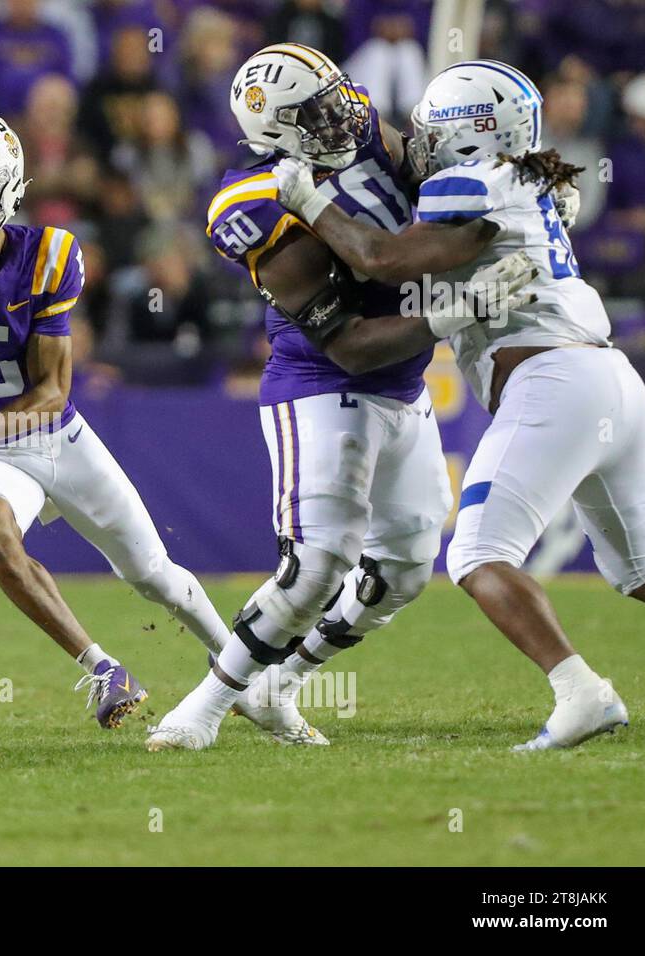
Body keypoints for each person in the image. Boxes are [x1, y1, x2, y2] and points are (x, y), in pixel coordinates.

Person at [148, 43, 533, 750]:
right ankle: (202, 706)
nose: (337, 117)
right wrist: (456, 312)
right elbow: (350, 344)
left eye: (333, 96)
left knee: (408, 567)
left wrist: (529, 192)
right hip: (323, 386)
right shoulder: (257, 205)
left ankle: (279, 685)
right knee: (317, 564)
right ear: (275, 138)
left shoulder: (366, 127)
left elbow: (442, 191)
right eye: (312, 114)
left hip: (406, 383)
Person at [272, 59, 645, 750]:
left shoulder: (473, 182)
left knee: (478, 552)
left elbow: (386, 257)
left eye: (429, 129)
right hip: (611, 381)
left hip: (555, 378)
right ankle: (581, 692)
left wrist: (311, 202)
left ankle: (581, 693)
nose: (417, 142)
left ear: (467, 131)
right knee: (643, 573)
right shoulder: (520, 180)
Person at [0, 110, 231, 729]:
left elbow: (53, 394)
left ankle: (241, 669)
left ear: (6, 189)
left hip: (48, 436)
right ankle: (102, 669)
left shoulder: (49, 253)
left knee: (154, 578)